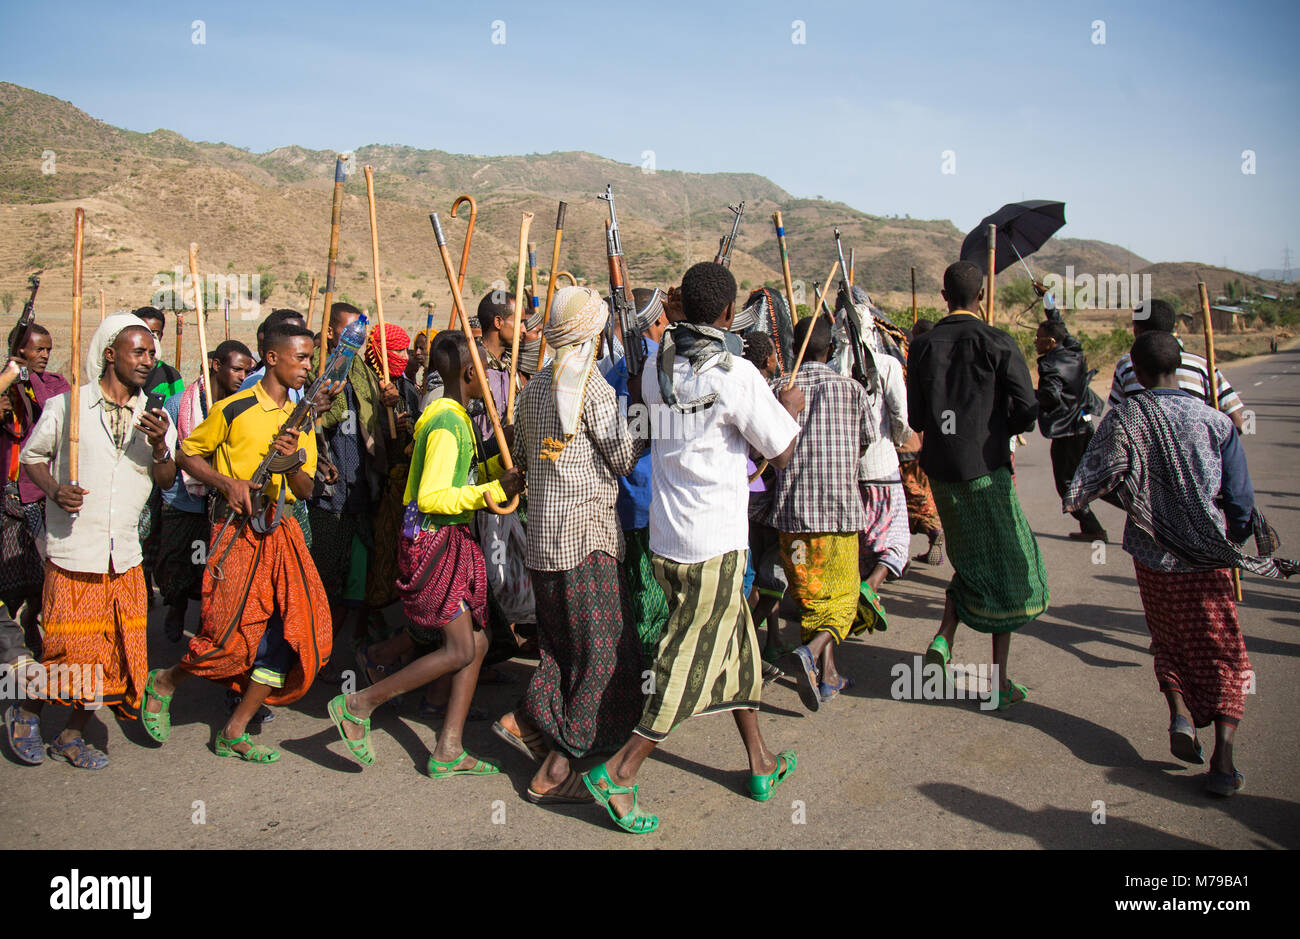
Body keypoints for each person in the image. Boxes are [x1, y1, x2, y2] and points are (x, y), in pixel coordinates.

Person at [581, 261, 804, 834]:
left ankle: (759, 762)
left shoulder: (657, 367)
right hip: (715, 543)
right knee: (685, 662)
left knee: (736, 648)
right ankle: (621, 772)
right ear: (730, 314)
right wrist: (792, 410)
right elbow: (781, 453)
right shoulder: (736, 374)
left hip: (667, 537)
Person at [1065, 331, 1296, 797]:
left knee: (1167, 638)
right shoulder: (1214, 421)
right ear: (1182, 367)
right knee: (1225, 652)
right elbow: (1240, 501)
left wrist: (1139, 505)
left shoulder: (1125, 418)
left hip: (1152, 558)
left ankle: (1180, 714)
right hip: (1208, 556)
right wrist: (1231, 541)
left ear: (1137, 371)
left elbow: (1086, 485)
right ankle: (1224, 763)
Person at [326, 330, 525, 777]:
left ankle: (449, 748)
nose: (491, 374)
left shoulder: (451, 415)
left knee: (477, 641)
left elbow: (459, 476)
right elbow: (435, 496)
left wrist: (498, 468)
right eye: (487, 369)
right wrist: (492, 489)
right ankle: (359, 705)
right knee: (458, 649)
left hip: (447, 539)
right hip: (434, 539)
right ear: (470, 373)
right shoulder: (448, 423)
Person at [140, 323, 332, 763]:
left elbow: (303, 489)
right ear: (272, 358)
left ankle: (235, 729)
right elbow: (187, 453)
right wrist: (226, 484)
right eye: (300, 358)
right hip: (235, 534)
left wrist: (291, 464)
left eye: (310, 359)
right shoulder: (235, 408)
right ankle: (166, 681)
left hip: (280, 532)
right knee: (229, 635)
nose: (307, 367)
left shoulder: (301, 418)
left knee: (293, 631)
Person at [494, 286, 646, 803]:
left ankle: (524, 721)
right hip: (587, 539)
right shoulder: (595, 391)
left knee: (560, 650)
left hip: (543, 542)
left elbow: (522, 451)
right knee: (604, 656)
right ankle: (559, 765)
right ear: (590, 335)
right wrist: (647, 417)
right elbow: (624, 459)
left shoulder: (535, 388)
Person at [13, 313, 177, 769]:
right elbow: (32, 457)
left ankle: (71, 734)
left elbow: (165, 483)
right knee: (69, 650)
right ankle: (26, 713)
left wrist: (163, 447)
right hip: (74, 551)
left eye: (152, 354)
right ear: (110, 355)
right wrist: (53, 489)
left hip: (123, 555)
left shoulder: (155, 418)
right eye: (138, 352)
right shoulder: (68, 407)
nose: (148, 360)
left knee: (113, 655)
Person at [907, 261, 1048, 709]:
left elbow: (915, 419)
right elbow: (1028, 410)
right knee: (1004, 568)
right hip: (987, 471)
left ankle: (945, 636)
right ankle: (999, 681)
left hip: (942, 474)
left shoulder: (924, 346)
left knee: (971, 562)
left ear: (944, 295)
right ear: (982, 294)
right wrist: (995, 425)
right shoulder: (998, 342)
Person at [766, 315, 874, 709]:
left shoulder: (777, 389)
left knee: (813, 598)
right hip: (838, 515)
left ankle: (827, 676)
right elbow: (865, 445)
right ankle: (810, 653)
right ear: (831, 350)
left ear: (793, 349)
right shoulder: (852, 390)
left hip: (792, 517)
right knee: (842, 601)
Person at [159, 339, 254, 642]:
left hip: (221, 502)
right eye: (237, 369)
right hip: (183, 499)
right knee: (177, 565)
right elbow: (171, 453)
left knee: (210, 568)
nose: (242, 376)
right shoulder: (178, 405)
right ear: (216, 366)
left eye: (246, 371)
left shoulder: (240, 405)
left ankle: (205, 625)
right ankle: (175, 607)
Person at [605, 287, 671, 658]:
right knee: (651, 602)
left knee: (632, 598)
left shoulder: (610, 369)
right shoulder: (658, 363)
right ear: (657, 321)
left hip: (625, 500)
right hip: (650, 500)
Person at [1108, 299, 1246, 432]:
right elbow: (1237, 423)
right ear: (1172, 326)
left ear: (1136, 330)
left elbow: (1116, 422)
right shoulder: (1201, 366)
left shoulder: (1127, 364)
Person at [1034, 317, 1108, 542]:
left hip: (1067, 431)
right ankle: (1136, 513)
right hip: (1084, 424)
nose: (1035, 342)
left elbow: (1050, 396)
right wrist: (1049, 303)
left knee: (1066, 482)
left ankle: (1092, 527)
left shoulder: (1049, 365)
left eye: (1039, 338)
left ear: (1051, 341)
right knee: (1096, 475)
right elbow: (1062, 327)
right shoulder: (1074, 351)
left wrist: (1029, 394)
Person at [897, 319, 943, 564]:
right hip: (919, 440)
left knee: (912, 494)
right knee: (918, 492)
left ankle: (932, 531)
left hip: (908, 442)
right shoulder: (921, 364)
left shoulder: (906, 366)